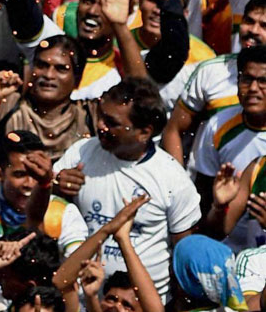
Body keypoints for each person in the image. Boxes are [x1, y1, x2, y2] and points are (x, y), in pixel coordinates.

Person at [54, 77, 200, 300]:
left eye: (112, 123)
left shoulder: (172, 179)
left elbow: (183, 256)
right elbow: (42, 210)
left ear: (144, 132)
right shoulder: (81, 153)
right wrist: (56, 187)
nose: (100, 126)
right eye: (101, 116)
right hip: (80, 301)